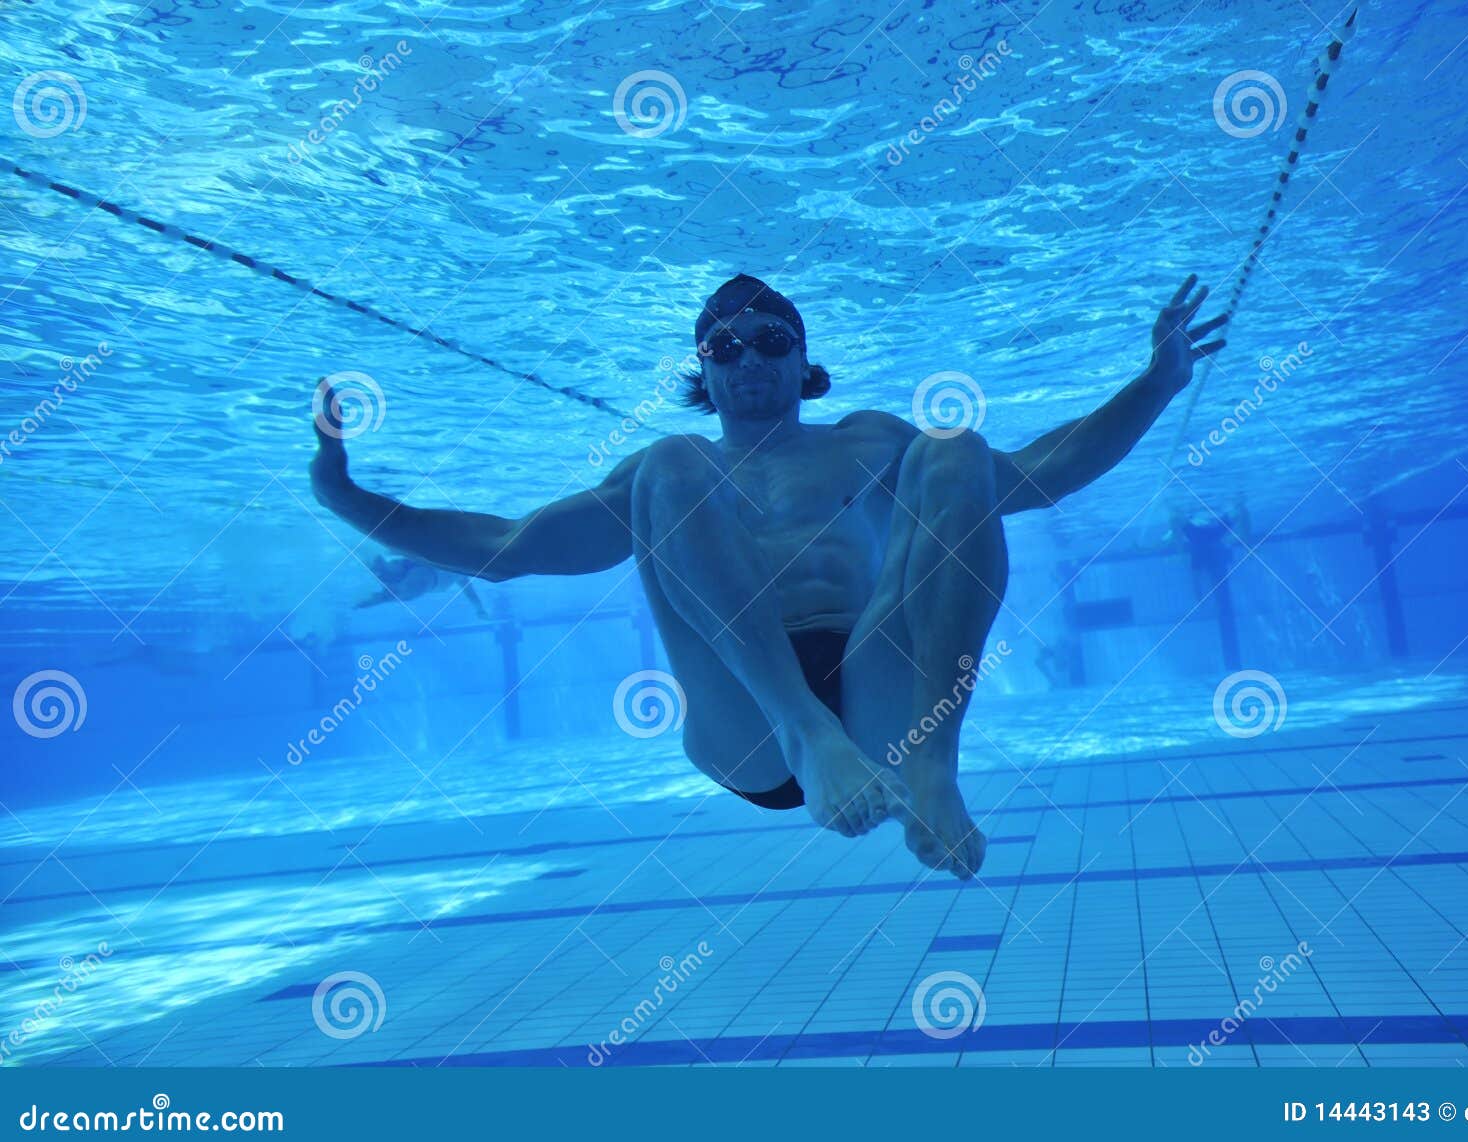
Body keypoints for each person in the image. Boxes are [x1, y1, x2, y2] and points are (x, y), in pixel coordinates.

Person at [310, 273, 1225, 878]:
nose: (749, 356)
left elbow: (1036, 476)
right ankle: (808, 734)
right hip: (748, 723)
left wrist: (1156, 383)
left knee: (958, 450)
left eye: (770, 338)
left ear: (802, 358)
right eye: (725, 346)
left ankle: (933, 767)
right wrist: (343, 492)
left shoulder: (869, 442)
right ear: (704, 372)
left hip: (880, 695)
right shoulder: (670, 476)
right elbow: (506, 548)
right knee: (667, 463)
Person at [356, 553, 489, 618]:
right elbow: (471, 594)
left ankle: (368, 554)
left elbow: (471, 594)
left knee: (384, 571)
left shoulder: (462, 573)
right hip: (426, 574)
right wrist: (480, 610)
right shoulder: (462, 571)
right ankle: (368, 599)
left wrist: (480, 609)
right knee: (399, 588)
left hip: (416, 564)